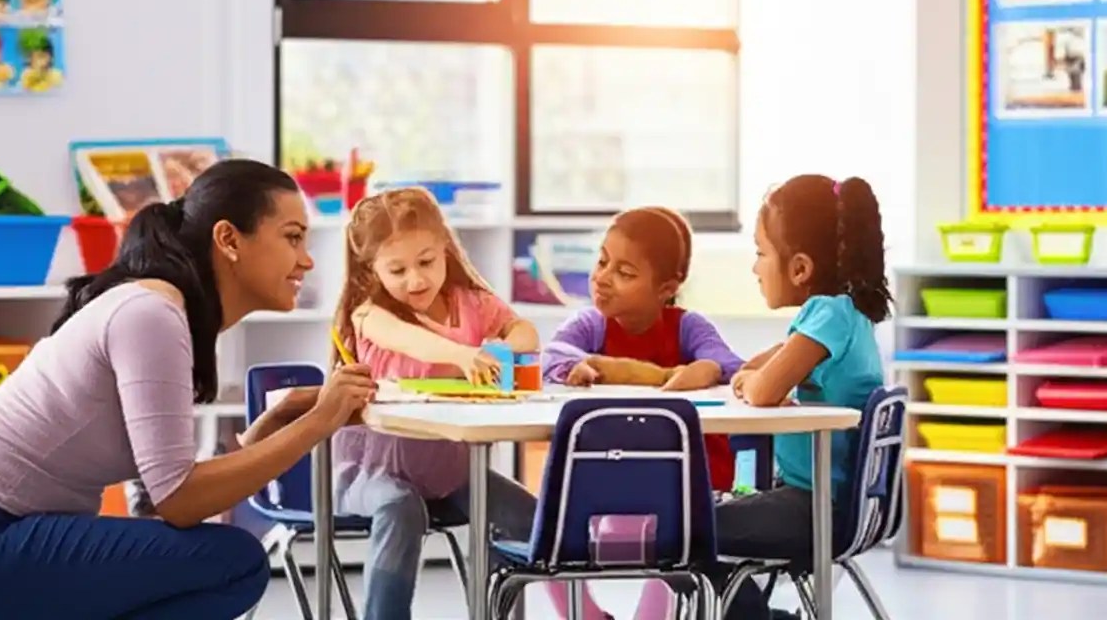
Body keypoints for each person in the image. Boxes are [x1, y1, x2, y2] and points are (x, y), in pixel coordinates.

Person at [0, 159, 377, 620]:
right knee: (234, 562)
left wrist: (271, 428)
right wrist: (320, 422)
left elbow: (159, 498)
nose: (307, 260)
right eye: (292, 238)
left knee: (212, 561)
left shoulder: (162, 311)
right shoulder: (153, 314)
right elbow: (180, 500)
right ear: (228, 239)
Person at [333, 187, 582, 620]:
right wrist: (464, 355)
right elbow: (409, 340)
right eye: (397, 269)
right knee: (400, 508)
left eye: (427, 262)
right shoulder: (367, 313)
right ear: (370, 271)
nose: (416, 280)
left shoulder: (471, 303)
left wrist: (502, 349)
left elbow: (524, 332)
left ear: (445, 248)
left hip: (448, 475)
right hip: (372, 473)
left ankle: (504, 609)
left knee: (536, 522)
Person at [542, 206, 745, 620]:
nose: (602, 277)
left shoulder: (688, 327)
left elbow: (728, 366)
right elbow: (555, 354)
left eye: (625, 272)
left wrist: (686, 370)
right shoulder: (590, 326)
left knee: (677, 547)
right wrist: (581, 368)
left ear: (666, 287)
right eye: (602, 262)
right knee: (544, 536)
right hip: (604, 488)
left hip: (688, 494)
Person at [716, 174, 891, 620]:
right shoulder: (846, 314)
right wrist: (751, 376)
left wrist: (751, 383)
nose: (755, 268)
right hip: (829, 507)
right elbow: (763, 363)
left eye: (760, 253)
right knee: (704, 519)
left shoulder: (827, 314)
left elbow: (763, 389)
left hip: (812, 509)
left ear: (799, 268)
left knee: (689, 527)